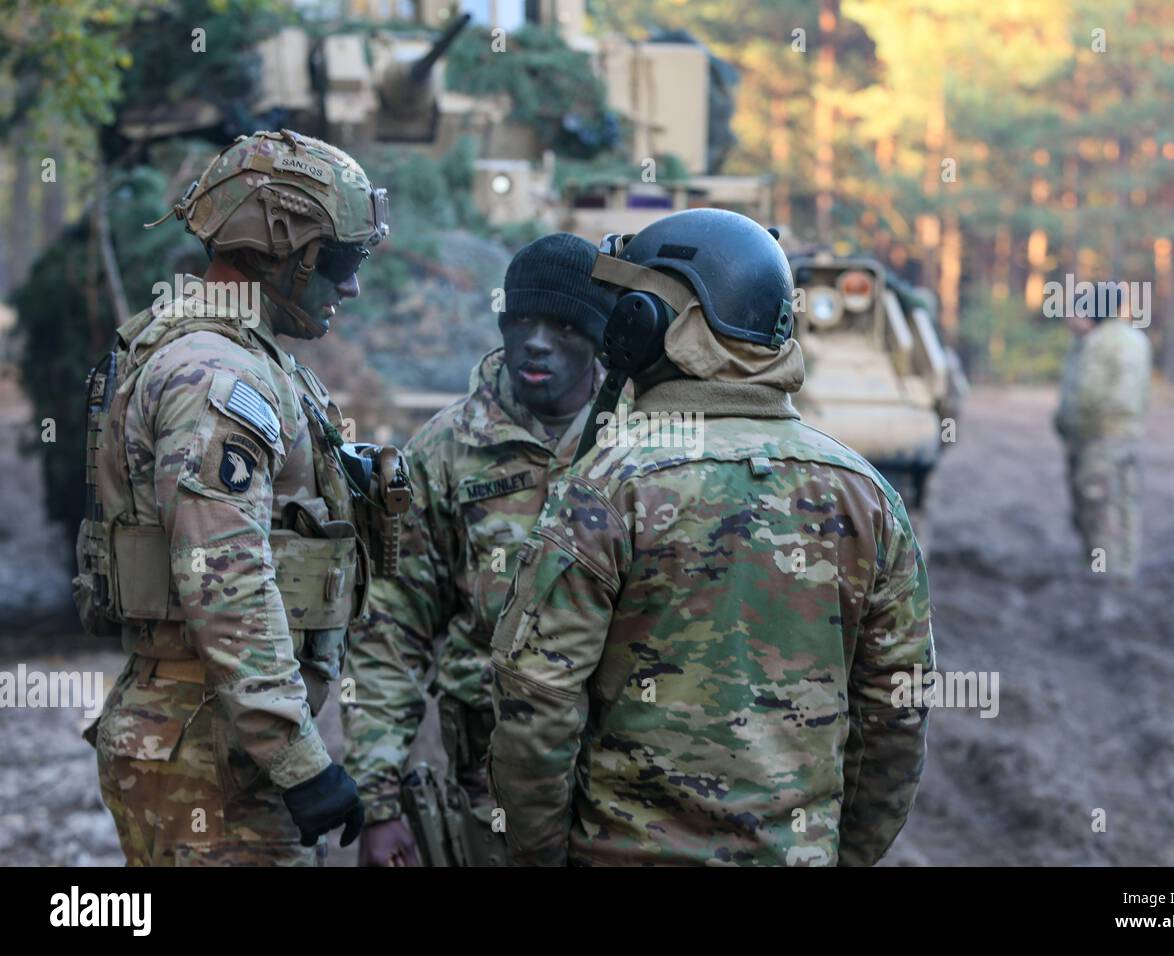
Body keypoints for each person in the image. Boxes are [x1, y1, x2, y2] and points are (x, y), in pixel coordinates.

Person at [487, 209, 934, 866]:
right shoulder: (866, 494)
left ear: (654, 322)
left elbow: (536, 706)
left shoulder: (608, 486)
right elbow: (897, 715)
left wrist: (540, 855)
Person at [76, 129, 391, 865]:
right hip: (207, 756)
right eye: (341, 261)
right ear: (279, 250)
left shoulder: (241, 352)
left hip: (211, 738)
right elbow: (225, 577)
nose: (351, 286)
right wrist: (298, 760)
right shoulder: (216, 376)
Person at [341, 234, 618, 866]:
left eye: (564, 326)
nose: (538, 341)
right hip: (487, 795)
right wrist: (379, 804)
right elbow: (391, 631)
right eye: (522, 320)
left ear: (598, 336)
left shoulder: (638, 447)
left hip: (623, 799)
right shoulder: (444, 452)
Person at [1053, 287, 1151, 582]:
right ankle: (1125, 568)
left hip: (1097, 437)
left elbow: (1086, 395)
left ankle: (1102, 570)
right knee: (1125, 502)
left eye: (1075, 311)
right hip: (1129, 433)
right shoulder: (1136, 339)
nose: (1069, 319)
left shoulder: (1097, 343)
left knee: (1096, 504)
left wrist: (1067, 426)